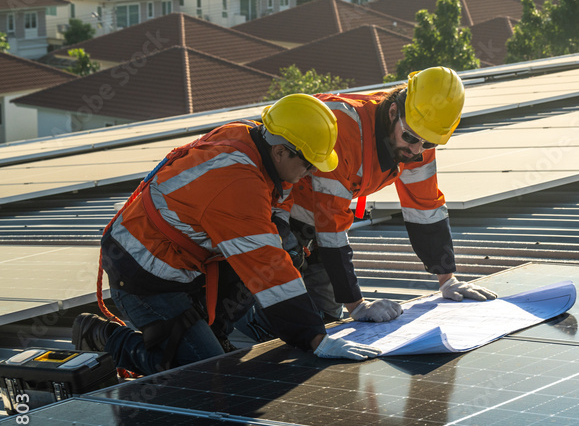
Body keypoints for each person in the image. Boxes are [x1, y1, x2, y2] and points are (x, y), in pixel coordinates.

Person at [72, 93, 380, 375]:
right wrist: (316, 339)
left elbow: (277, 202)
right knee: (204, 373)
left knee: (276, 260)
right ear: (281, 151)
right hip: (144, 271)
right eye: (309, 164)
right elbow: (266, 267)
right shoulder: (237, 187)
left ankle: (209, 337)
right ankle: (110, 339)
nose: (312, 173)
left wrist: (285, 234)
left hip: (188, 262)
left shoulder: (253, 137)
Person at [273, 66, 496, 326]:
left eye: (428, 143)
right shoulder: (343, 129)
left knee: (323, 318)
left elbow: (425, 207)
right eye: (411, 138)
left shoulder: (418, 136)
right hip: (279, 218)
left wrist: (447, 280)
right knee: (281, 311)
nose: (416, 150)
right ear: (393, 113)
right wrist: (357, 306)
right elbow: (330, 221)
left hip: (317, 229)